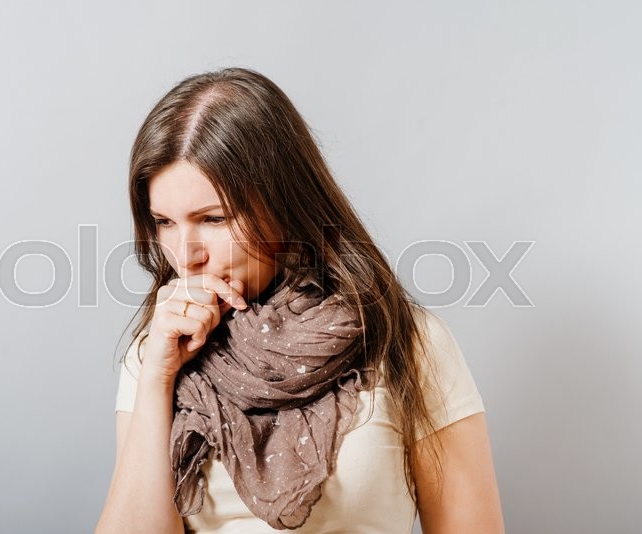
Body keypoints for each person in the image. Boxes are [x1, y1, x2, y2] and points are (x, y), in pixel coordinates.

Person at [94, 67, 504, 533]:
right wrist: (157, 378)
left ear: (283, 203)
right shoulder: (159, 352)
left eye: (212, 218)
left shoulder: (407, 341)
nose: (187, 254)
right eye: (164, 222)